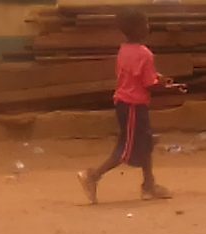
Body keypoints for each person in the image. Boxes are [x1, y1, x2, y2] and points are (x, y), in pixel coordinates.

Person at [77, 10, 183, 204]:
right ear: (137, 29)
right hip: (134, 105)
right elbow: (148, 84)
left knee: (146, 143)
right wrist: (167, 86)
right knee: (126, 149)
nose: (148, 27)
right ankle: (92, 176)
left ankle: (149, 185)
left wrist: (158, 78)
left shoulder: (124, 49)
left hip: (126, 103)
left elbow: (135, 74)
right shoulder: (145, 54)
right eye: (145, 23)